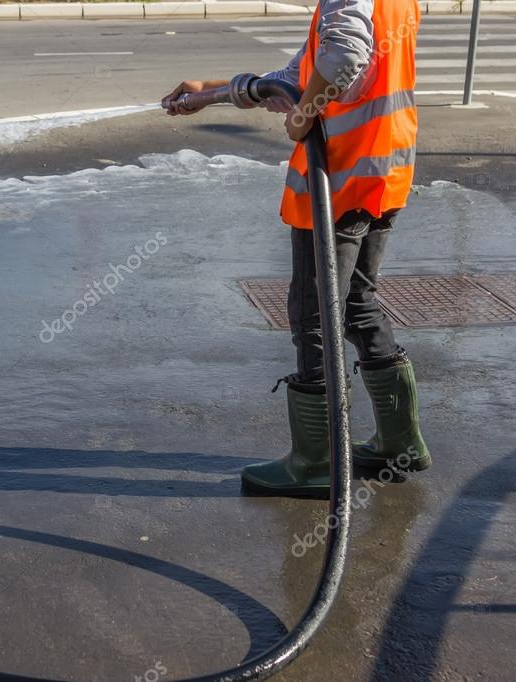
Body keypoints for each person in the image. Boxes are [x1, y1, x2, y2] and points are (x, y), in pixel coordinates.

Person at [161, 0, 431, 496]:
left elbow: (343, 58)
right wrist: (215, 92)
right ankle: (399, 444)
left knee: (314, 313)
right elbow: (300, 71)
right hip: (384, 170)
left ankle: (315, 465)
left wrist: (305, 114)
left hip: (341, 179)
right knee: (355, 302)